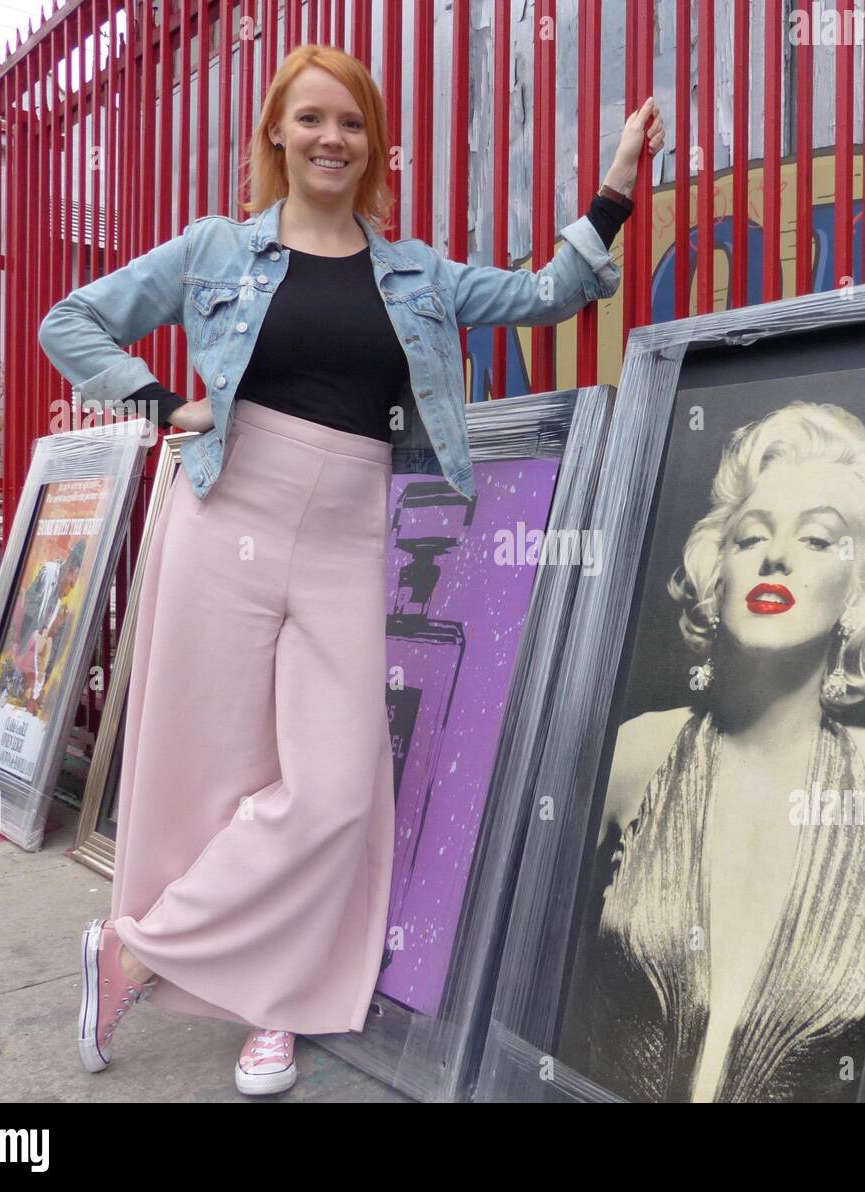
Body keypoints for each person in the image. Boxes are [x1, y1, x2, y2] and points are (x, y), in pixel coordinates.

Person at [39, 42, 664, 1095]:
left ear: (373, 143)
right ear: (277, 134)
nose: (332, 137)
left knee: (330, 792)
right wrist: (159, 402)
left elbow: (548, 294)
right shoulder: (214, 251)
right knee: (218, 774)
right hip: (225, 517)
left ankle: (134, 954)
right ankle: (269, 1007)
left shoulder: (417, 273)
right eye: (312, 118)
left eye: (352, 121)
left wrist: (612, 192)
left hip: (346, 534)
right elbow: (73, 321)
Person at [562, 401, 865, 1102]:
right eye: (751, 537)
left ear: (860, 590)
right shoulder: (638, 754)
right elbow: (538, 984)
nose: (775, 556)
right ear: (719, 576)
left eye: (818, 539)